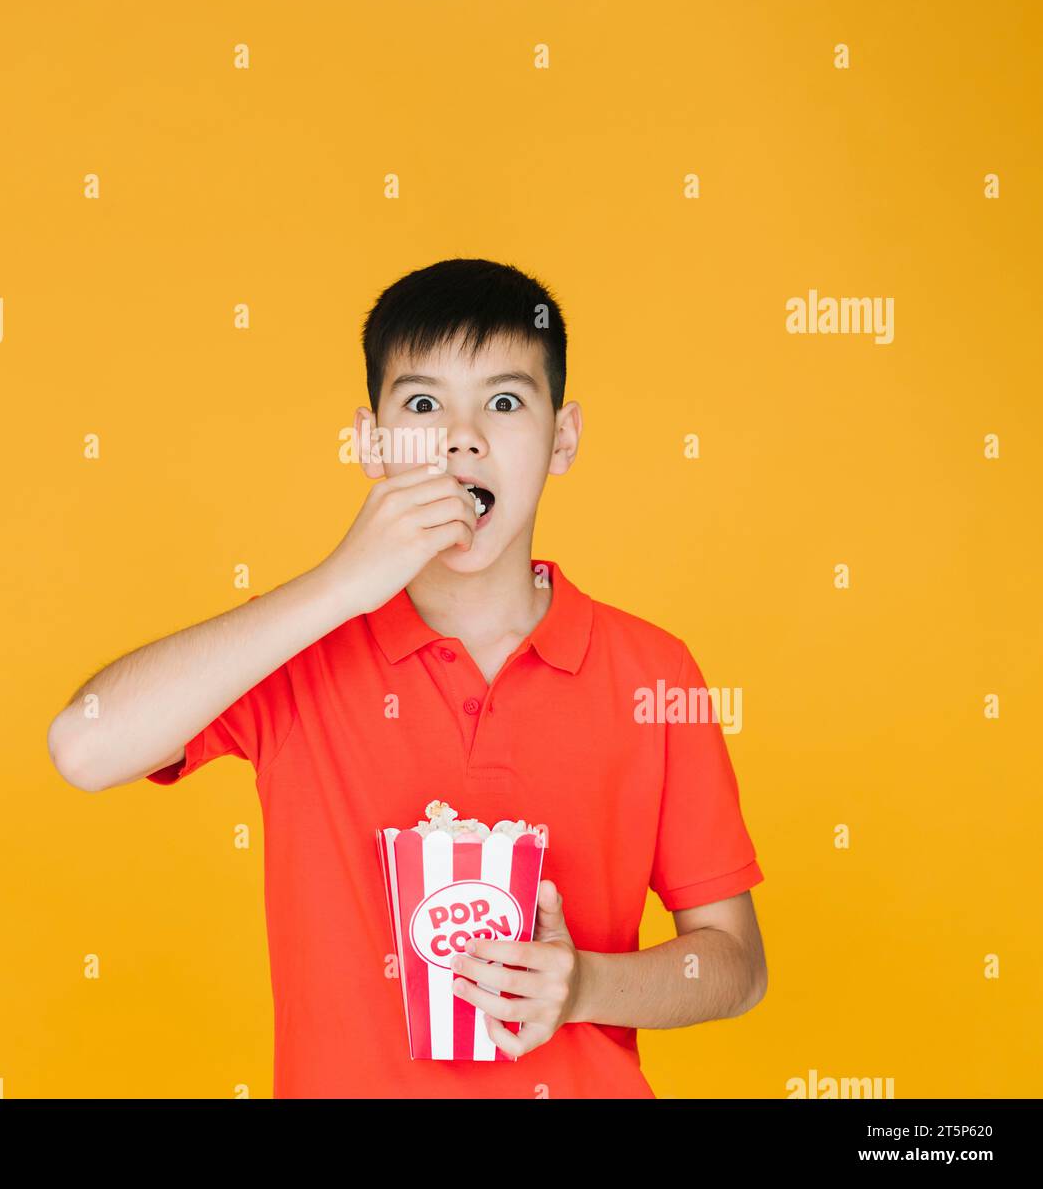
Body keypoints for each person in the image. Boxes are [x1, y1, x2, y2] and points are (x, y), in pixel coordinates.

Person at [47, 256, 767, 1098]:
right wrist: (340, 584)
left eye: (504, 402)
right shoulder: (296, 646)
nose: (462, 437)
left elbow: (736, 964)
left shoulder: (653, 672)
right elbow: (83, 747)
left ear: (563, 438)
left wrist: (585, 989)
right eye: (423, 404)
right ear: (370, 442)